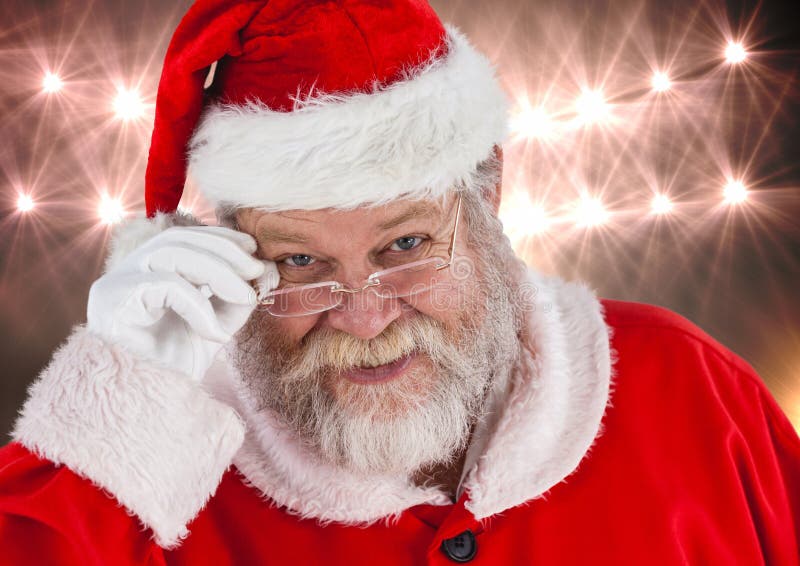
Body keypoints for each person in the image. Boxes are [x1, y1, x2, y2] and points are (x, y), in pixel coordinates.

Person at [1, 0, 798, 564]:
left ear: (487, 199)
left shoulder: (692, 389)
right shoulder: (154, 488)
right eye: (299, 261)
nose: (364, 317)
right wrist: (116, 421)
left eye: (405, 242)